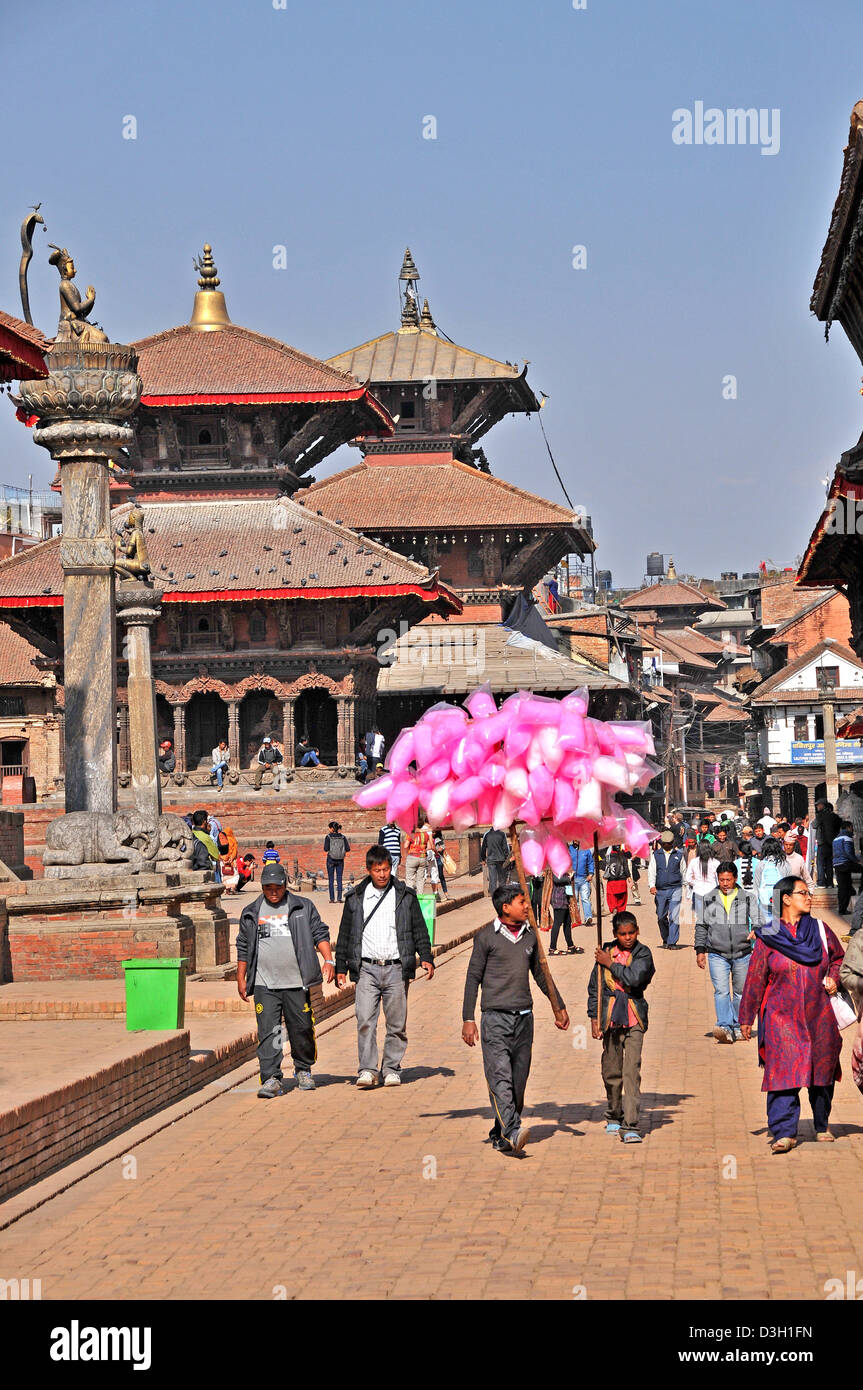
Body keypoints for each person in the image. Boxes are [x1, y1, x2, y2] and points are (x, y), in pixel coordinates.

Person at [738, 876, 844, 1152]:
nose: (809, 897)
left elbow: (838, 958)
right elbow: (756, 977)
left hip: (819, 1015)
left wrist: (834, 977)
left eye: (809, 893)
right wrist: (746, 1017)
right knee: (782, 1074)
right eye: (803, 893)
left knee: (822, 1072)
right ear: (785, 899)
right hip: (781, 1018)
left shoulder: (820, 930)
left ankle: (821, 1124)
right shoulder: (769, 935)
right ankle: (785, 1131)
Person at [462, 882, 569, 1153]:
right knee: (500, 1078)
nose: (527, 906)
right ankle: (512, 1130)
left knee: (517, 1084)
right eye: (522, 902)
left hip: (524, 1019)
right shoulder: (486, 937)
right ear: (506, 907)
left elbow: (541, 974)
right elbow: (473, 978)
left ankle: (501, 1132)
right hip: (494, 1020)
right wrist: (468, 1018)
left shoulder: (531, 937)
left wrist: (558, 1006)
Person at [335, 844, 434, 1088]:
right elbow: (345, 933)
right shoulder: (356, 898)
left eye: (386, 869)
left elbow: (419, 928)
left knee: (397, 1023)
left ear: (392, 868)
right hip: (366, 968)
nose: (382, 874)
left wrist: (426, 956)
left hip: (396, 968)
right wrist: (340, 967)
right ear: (369, 870)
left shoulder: (405, 896)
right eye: (377, 870)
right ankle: (368, 1070)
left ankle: (391, 1068)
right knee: (365, 1020)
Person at [236, 862, 334, 1097]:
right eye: (268, 888)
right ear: (262, 887)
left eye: (277, 887)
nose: (273, 892)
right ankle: (271, 1077)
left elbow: (319, 933)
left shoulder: (302, 906)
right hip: (265, 983)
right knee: (269, 1032)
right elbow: (243, 946)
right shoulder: (251, 911)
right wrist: (241, 977)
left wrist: (329, 960)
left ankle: (303, 1069)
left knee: (301, 1028)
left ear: (285, 885)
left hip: (296, 982)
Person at [587, 912, 655, 1143]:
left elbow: (634, 979)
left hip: (634, 1018)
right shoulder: (605, 951)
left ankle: (630, 1125)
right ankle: (614, 1114)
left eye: (631, 933)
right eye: (622, 934)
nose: (627, 937)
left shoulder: (643, 953)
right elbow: (595, 987)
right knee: (611, 1071)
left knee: (631, 1072)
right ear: (615, 934)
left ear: (637, 931)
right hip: (610, 1019)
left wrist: (610, 963)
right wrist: (594, 1018)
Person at [696, 863, 755, 1043]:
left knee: (740, 992)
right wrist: (700, 950)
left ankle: (738, 1025)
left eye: (728, 880)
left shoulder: (748, 898)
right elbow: (701, 926)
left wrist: (757, 930)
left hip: (743, 953)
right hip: (717, 953)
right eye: (721, 880)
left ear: (735, 879)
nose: (725, 883)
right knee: (721, 991)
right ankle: (724, 1026)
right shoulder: (708, 898)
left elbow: (759, 919)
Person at [648, 830, 686, 949]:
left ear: (672, 843)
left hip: (675, 889)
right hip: (660, 890)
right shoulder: (656, 855)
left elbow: (683, 871)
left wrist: (686, 888)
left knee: (674, 916)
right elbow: (652, 871)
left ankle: (672, 942)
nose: (666, 845)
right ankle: (666, 938)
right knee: (661, 917)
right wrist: (652, 885)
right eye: (664, 843)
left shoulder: (679, 855)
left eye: (669, 843)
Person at [685, 840, 720, 927]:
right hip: (712, 892)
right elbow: (719, 879)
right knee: (713, 918)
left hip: (698, 893)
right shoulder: (716, 862)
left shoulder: (694, 862)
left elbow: (688, 878)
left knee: (700, 919)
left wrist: (696, 883)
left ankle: (701, 934)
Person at [832, 821, 863, 915]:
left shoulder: (836, 839)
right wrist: (857, 861)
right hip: (845, 864)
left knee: (842, 887)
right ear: (848, 827)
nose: (853, 829)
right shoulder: (847, 838)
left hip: (837, 865)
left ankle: (842, 909)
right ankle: (861, 889)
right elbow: (849, 853)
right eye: (852, 827)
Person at [549, 871, 580, 954]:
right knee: (557, 923)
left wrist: (570, 899)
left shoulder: (564, 868)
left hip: (565, 899)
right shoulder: (556, 868)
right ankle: (552, 948)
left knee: (567, 923)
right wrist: (569, 878)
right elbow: (557, 879)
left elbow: (568, 885)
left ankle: (570, 946)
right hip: (558, 899)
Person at [814, 799, 842, 887]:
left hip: (823, 843)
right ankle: (830, 883)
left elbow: (814, 825)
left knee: (820, 864)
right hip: (832, 843)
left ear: (823, 805)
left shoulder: (821, 815)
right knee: (829, 863)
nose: (817, 807)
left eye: (818, 805)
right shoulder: (835, 817)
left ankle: (821, 882)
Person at [568, 840, 594, 925]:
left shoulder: (586, 849)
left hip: (584, 879)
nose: (576, 840)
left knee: (585, 899)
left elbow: (590, 862)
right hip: (571, 880)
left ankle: (588, 917)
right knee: (573, 900)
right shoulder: (569, 849)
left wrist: (591, 873)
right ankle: (576, 919)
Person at [324, 820, 350, 904]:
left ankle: (332, 899)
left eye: (329, 828)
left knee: (331, 879)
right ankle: (339, 898)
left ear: (332, 828)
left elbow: (326, 849)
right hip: (340, 860)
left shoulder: (328, 837)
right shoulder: (343, 837)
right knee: (339, 879)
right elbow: (348, 849)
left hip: (331, 859)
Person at [480, 826, 510, 898]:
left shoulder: (487, 835)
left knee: (492, 878)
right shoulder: (502, 834)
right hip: (501, 860)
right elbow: (505, 848)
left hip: (491, 860)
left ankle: (493, 895)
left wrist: (483, 859)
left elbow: (483, 848)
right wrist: (507, 858)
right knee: (501, 878)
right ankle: (502, 894)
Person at [404, 821, 433, 893]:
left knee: (410, 879)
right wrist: (422, 850)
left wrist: (408, 853)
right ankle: (420, 896)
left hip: (412, 856)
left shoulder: (410, 833)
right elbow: (429, 847)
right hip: (422, 857)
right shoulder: (425, 834)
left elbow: (406, 845)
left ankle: (410, 896)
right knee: (420, 879)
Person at [190, 809, 220, 874]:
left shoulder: (191, 833)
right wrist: (208, 833)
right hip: (204, 869)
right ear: (204, 822)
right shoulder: (206, 837)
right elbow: (216, 856)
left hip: (192, 867)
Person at [603, 844, 630, 915]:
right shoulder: (623, 856)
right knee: (622, 901)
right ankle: (621, 913)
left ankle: (614, 909)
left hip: (611, 883)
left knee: (612, 898)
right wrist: (629, 877)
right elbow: (626, 868)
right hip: (622, 883)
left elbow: (603, 867)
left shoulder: (608, 857)